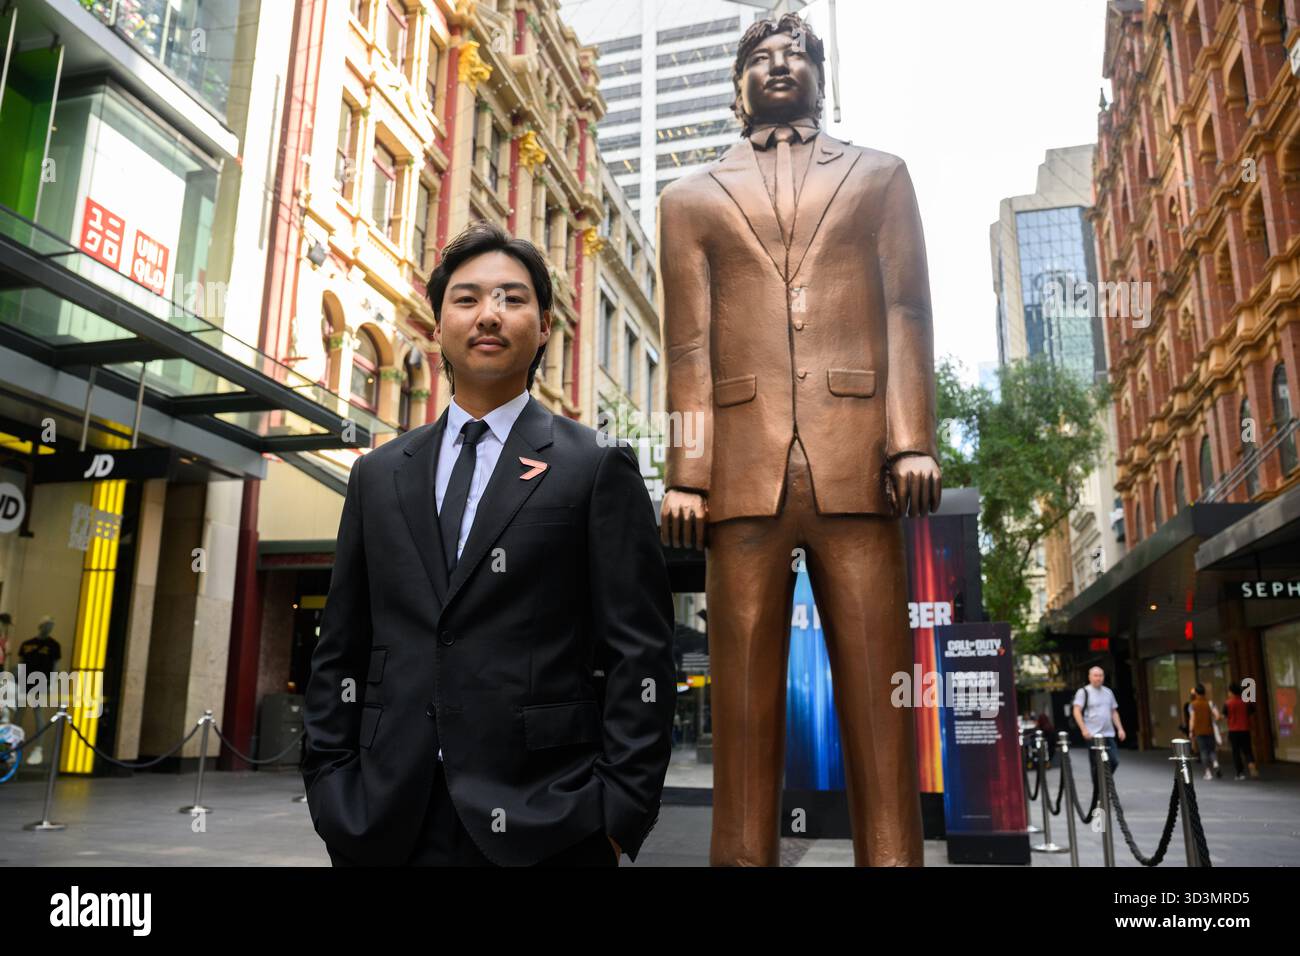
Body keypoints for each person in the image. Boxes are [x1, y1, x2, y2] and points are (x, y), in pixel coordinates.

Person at [302, 221, 677, 867]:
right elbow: (341, 648)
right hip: (387, 822)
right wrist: (333, 789)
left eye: (512, 297)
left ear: (545, 325)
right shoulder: (377, 474)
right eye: (468, 298)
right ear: (439, 319)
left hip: (549, 822)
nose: (489, 315)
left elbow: (640, 655)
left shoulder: (593, 466)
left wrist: (616, 812)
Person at [657, 11, 940, 867]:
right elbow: (687, 347)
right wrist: (687, 474)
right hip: (741, 475)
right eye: (760, 57)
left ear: (821, 75)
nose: (779, 66)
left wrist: (910, 441)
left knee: (878, 698)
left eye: (795, 55)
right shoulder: (688, 198)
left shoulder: (881, 176)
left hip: (860, 465)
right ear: (736, 83)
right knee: (742, 704)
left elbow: (906, 310)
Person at [1072, 666, 1126, 789]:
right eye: (1095, 675)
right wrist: (1084, 729)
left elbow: (1114, 712)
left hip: (1108, 733)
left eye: (1100, 675)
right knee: (1096, 765)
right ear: (1089, 677)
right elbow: (1076, 711)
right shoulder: (1083, 692)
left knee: (1114, 760)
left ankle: (1105, 782)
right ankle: (1098, 790)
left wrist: (1120, 729)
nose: (1098, 678)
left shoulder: (1108, 692)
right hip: (1093, 734)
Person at [17, 617, 60, 766]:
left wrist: (52, 684)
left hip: (40, 682)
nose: (49, 628)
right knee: (18, 713)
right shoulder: (27, 644)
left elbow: (55, 666)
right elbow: (21, 663)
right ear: (40, 626)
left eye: (51, 625)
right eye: (47, 625)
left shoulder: (54, 646)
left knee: (38, 713)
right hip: (24, 682)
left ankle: (39, 747)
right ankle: (12, 746)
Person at [1224, 683, 1259, 780]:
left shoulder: (1228, 703)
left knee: (1236, 752)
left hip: (1233, 730)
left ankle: (1240, 773)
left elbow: (1225, 715)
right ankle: (1252, 765)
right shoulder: (1246, 702)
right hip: (1245, 729)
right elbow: (1252, 712)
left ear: (1231, 692)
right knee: (1248, 750)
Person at [1188, 684, 1222, 780]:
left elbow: (1192, 719)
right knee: (1212, 750)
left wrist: (1191, 731)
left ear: (1196, 693)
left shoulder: (1192, 705)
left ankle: (1208, 772)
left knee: (1203, 751)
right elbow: (1218, 716)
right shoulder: (1210, 703)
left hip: (1199, 731)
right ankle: (1215, 763)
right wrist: (1213, 721)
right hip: (1210, 730)